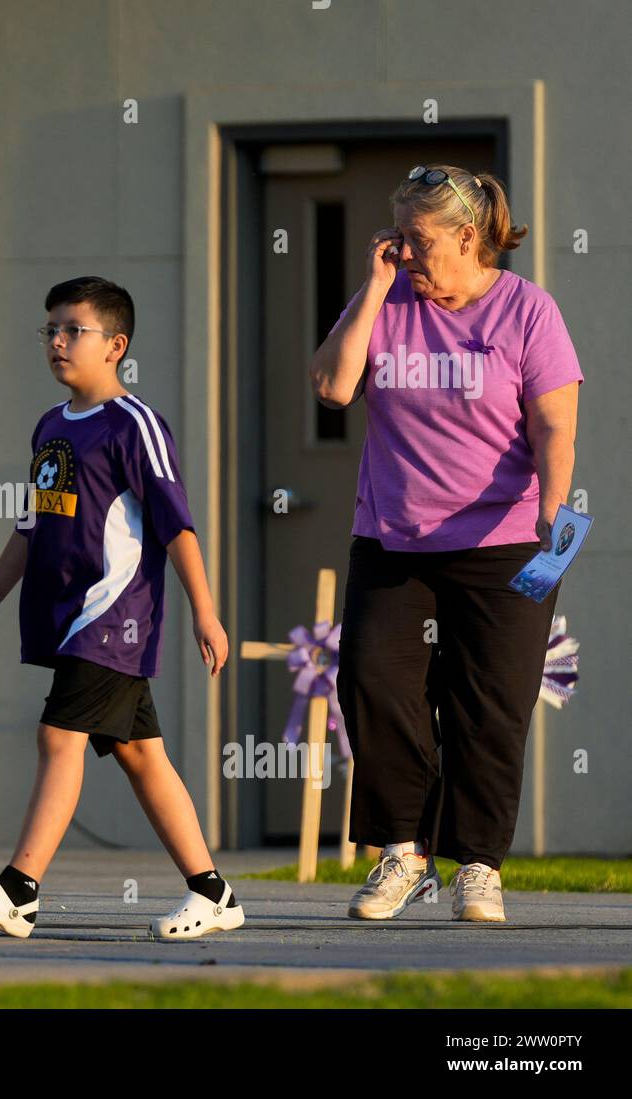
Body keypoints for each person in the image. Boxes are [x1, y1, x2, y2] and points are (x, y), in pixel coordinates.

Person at [309, 165, 583, 923]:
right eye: (395, 235)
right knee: (369, 680)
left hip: (504, 539)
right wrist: (373, 285)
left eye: (417, 239)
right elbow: (332, 387)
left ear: (469, 237)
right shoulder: (387, 300)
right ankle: (402, 852)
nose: (403, 250)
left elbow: (554, 423)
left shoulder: (528, 312)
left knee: (491, 703)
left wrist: (554, 508)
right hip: (393, 537)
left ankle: (480, 865)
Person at [0, 276, 236, 941]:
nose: (58, 341)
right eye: (51, 329)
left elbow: (176, 526)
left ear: (116, 345)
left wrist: (204, 612)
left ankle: (19, 888)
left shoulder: (137, 426)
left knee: (58, 735)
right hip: (69, 617)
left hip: (113, 615)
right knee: (140, 756)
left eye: (74, 329)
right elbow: (31, 525)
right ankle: (213, 893)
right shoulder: (50, 426)